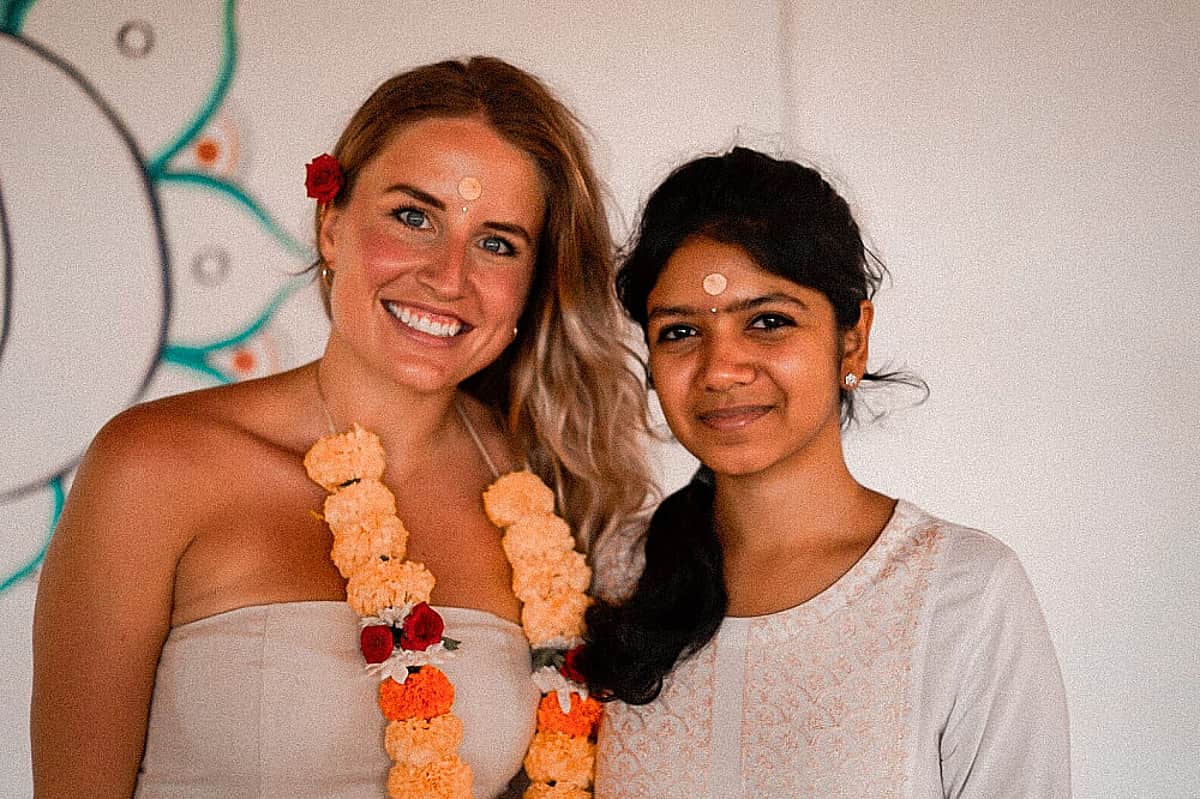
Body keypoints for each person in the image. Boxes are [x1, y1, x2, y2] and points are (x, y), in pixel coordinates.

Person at [31, 57, 651, 799]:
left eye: (496, 242)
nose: (448, 276)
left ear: (531, 279)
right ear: (332, 226)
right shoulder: (154, 465)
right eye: (413, 216)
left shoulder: (547, 490)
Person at [581, 147, 1071, 797]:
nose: (721, 369)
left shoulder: (961, 593)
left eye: (768, 321)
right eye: (679, 332)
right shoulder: (614, 572)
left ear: (853, 339)